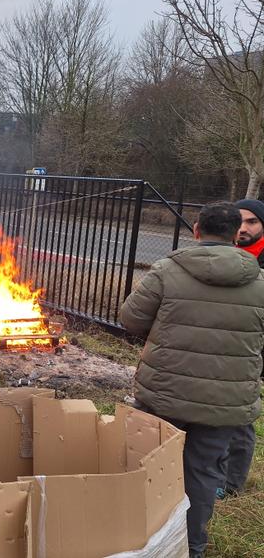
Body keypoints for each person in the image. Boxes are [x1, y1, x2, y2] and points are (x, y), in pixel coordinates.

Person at [120, 201, 264, 558]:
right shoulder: (260, 282)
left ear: (196, 230)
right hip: (224, 404)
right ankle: (191, 546)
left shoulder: (168, 270)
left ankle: (142, 538)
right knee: (202, 475)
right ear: (235, 236)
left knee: (150, 464)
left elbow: (130, 318)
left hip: (164, 393)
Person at [219, 198, 264, 499]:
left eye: (252, 222)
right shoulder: (226, 255)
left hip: (252, 351)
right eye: (239, 221)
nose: (243, 228)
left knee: (240, 418)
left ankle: (231, 483)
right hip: (224, 347)